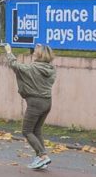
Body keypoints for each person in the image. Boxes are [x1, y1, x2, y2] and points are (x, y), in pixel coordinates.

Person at [5, 42, 57, 170]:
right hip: (47, 102)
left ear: (39, 55)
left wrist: (9, 52)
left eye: (36, 52)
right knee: (36, 130)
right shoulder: (51, 69)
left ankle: (43, 156)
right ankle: (41, 158)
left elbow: (15, 65)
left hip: (35, 103)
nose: (34, 52)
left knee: (27, 131)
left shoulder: (32, 68)